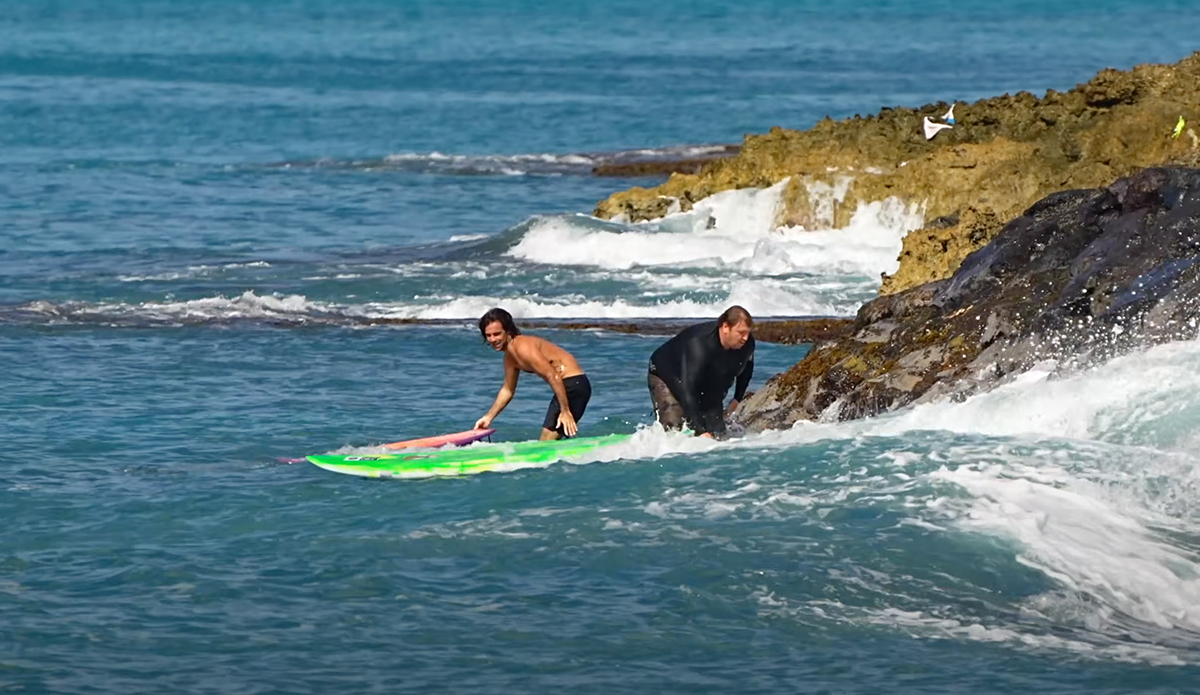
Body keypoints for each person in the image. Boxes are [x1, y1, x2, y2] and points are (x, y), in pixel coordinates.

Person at [474, 308, 592, 440]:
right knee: (549, 438)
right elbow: (507, 390)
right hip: (564, 387)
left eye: (497, 334)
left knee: (548, 439)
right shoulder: (510, 358)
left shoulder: (523, 347)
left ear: (508, 331)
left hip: (574, 385)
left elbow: (553, 376)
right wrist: (488, 417)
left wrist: (565, 411)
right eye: (488, 335)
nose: (492, 339)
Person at [648, 305, 755, 439]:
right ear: (726, 327)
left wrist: (737, 398)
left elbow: (746, 370)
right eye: (741, 332)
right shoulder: (699, 344)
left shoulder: (747, 344)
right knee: (674, 432)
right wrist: (700, 431)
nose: (745, 338)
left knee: (718, 434)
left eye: (747, 333)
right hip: (667, 374)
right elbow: (687, 389)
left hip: (705, 380)